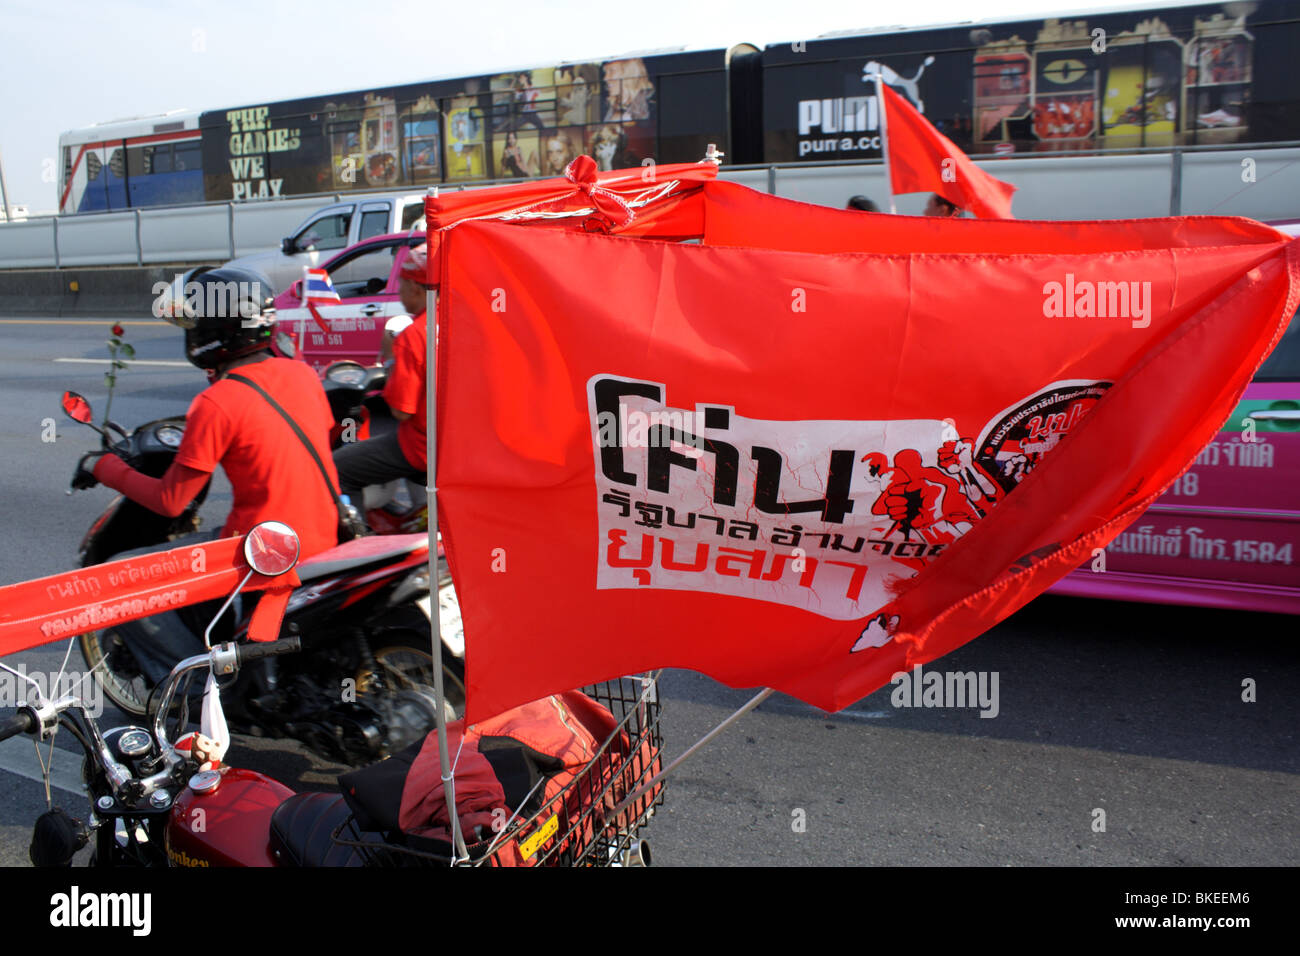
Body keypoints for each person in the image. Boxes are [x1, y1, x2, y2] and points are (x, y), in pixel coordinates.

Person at [77, 266, 342, 683]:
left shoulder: (217, 401)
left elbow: (172, 501)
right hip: (325, 537)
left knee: (115, 580)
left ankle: (200, 683)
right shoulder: (304, 374)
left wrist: (102, 466)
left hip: (262, 554)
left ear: (217, 328)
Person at [333, 243, 433, 512]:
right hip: (465, 443)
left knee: (338, 470)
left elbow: (401, 411)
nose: (398, 291)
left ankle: (358, 546)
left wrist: (391, 362)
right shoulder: (468, 320)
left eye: (401, 283)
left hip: (425, 447)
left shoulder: (414, 335)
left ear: (414, 287)